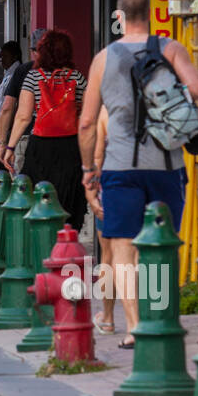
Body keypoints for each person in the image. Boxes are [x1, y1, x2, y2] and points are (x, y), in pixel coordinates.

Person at [79, 0, 198, 349]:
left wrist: (89, 170)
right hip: (166, 165)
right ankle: (161, 316)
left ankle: (134, 327)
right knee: (162, 245)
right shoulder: (169, 47)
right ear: (149, 14)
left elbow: (87, 123)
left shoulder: (104, 58)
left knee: (122, 246)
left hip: (120, 168)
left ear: (119, 17)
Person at [2, 29, 88, 231]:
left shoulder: (33, 77)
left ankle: (42, 240)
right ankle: (66, 240)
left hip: (40, 145)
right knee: (68, 197)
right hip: (70, 145)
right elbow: (88, 113)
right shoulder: (76, 77)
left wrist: (10, 147)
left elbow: (23, 116)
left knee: (38, 195)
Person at [84, 106, 115, 335]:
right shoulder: (151, 100)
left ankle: (108, 317)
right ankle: (150, 318)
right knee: (144, 254)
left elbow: (97, 157)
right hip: (150, 188)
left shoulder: (105, 111)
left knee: (109, 256)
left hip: (112, 189)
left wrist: (92, 194)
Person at [0, 30, 43, 172]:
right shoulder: (70, 72)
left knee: (24, 184)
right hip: (63, 139)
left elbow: (7, 108)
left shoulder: (25, 71)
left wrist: (5, 144)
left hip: (28, 136)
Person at [0, 41, 23, 120]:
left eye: (5, 56)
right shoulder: (8, 74)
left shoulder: (17, 74)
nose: (1, 59)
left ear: (15, 56)